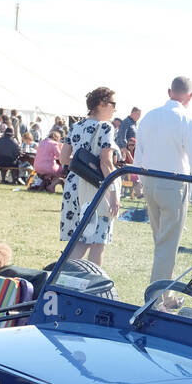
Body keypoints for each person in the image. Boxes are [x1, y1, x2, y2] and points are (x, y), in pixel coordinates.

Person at [133, 76, 192, 281]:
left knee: (161, 243)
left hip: (150, 182)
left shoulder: (148, 117)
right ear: (190, 96)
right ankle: (157, 298)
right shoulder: (187, 120)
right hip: (174, 186)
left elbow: (138, 156)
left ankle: (165, 294)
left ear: (169, 92)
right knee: (167, 245)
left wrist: (141, 183)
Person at [61, 85, 122, 266]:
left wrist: (84, 164)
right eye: (113, 103)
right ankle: (91, 285)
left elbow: (63, 158)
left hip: (73, 184)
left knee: (80, 238)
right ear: (102, 104)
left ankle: (62, 278)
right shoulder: (105, 127)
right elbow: (106, 162)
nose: (115, 108)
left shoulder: (76, 126)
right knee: (97, 241)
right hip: (96, 186)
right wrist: (114, 192)